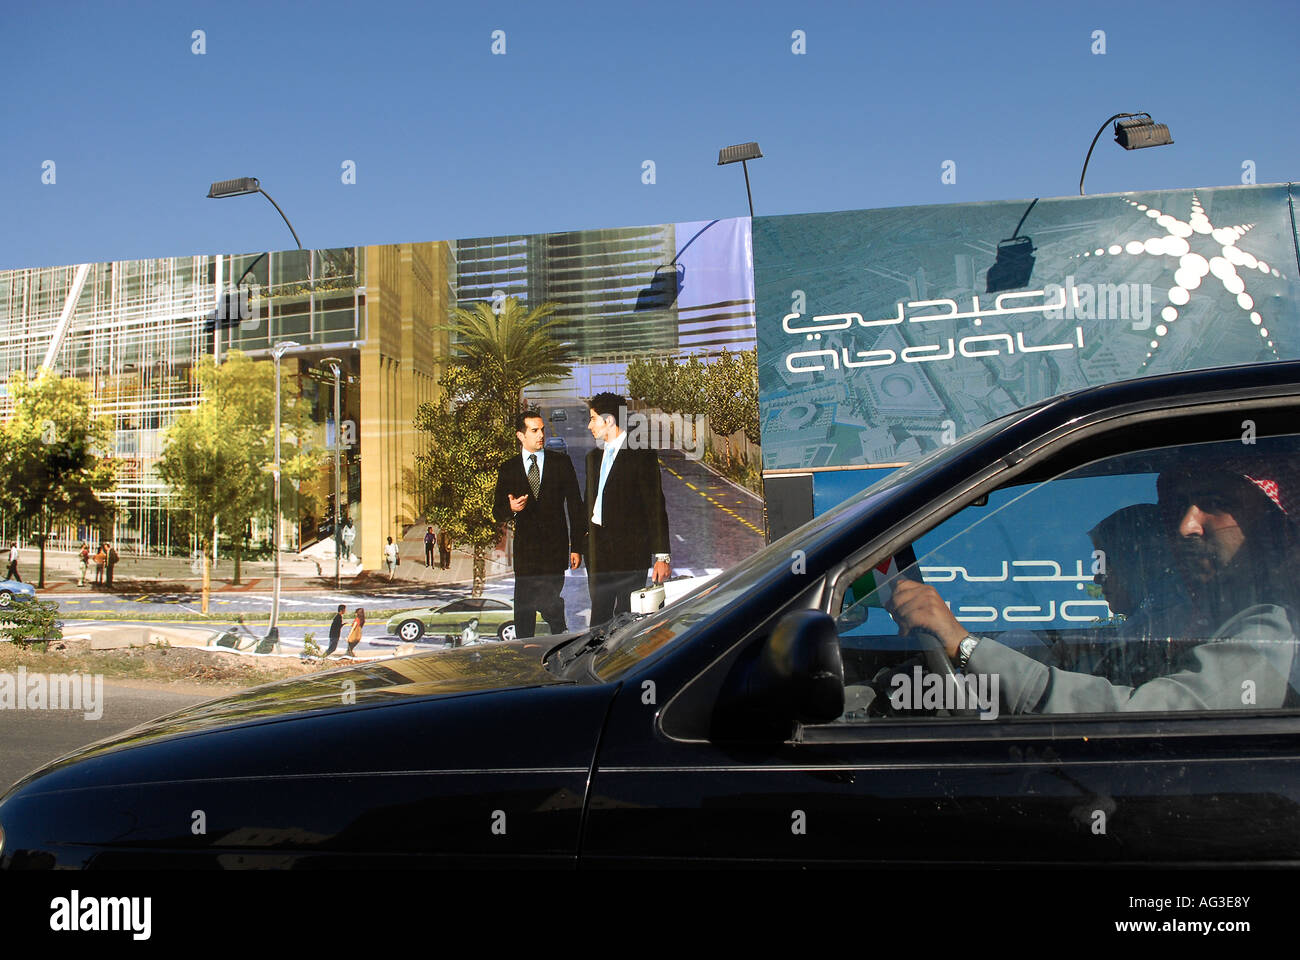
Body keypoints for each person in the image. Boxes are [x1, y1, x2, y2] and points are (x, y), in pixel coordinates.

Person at [887, 463, 1299, 713]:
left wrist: (964, 645)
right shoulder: (1183, 620)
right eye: (1183, 507)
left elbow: (1143, 718)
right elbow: (1087, 650)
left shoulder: (1273, 631)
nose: (1186, 526)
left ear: (1271, 521)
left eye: (1214, 502)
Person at [493, 410, 587, 639]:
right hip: (526, 553)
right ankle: (524, 652)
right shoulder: (508, 468)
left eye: (542, 430)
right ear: (520, 435)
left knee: (549, 601)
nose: (541, 435)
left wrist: (576, 547)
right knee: (524, 605)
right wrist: (511, 509)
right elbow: (497, 511)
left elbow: (576, 506)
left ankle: (560, 637)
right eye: (534, 431)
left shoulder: (561, 463)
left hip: (554, 550)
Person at [582, 393, 671, 626]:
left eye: (593, 419)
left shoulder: (641, 455)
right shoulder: (592, 458)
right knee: (598, 619)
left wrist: (661, 556)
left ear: (609, 420)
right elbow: (587, 505)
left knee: (626, 621)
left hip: (631, 555)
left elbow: (655, 505)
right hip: (597, 555)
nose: (589, 425)